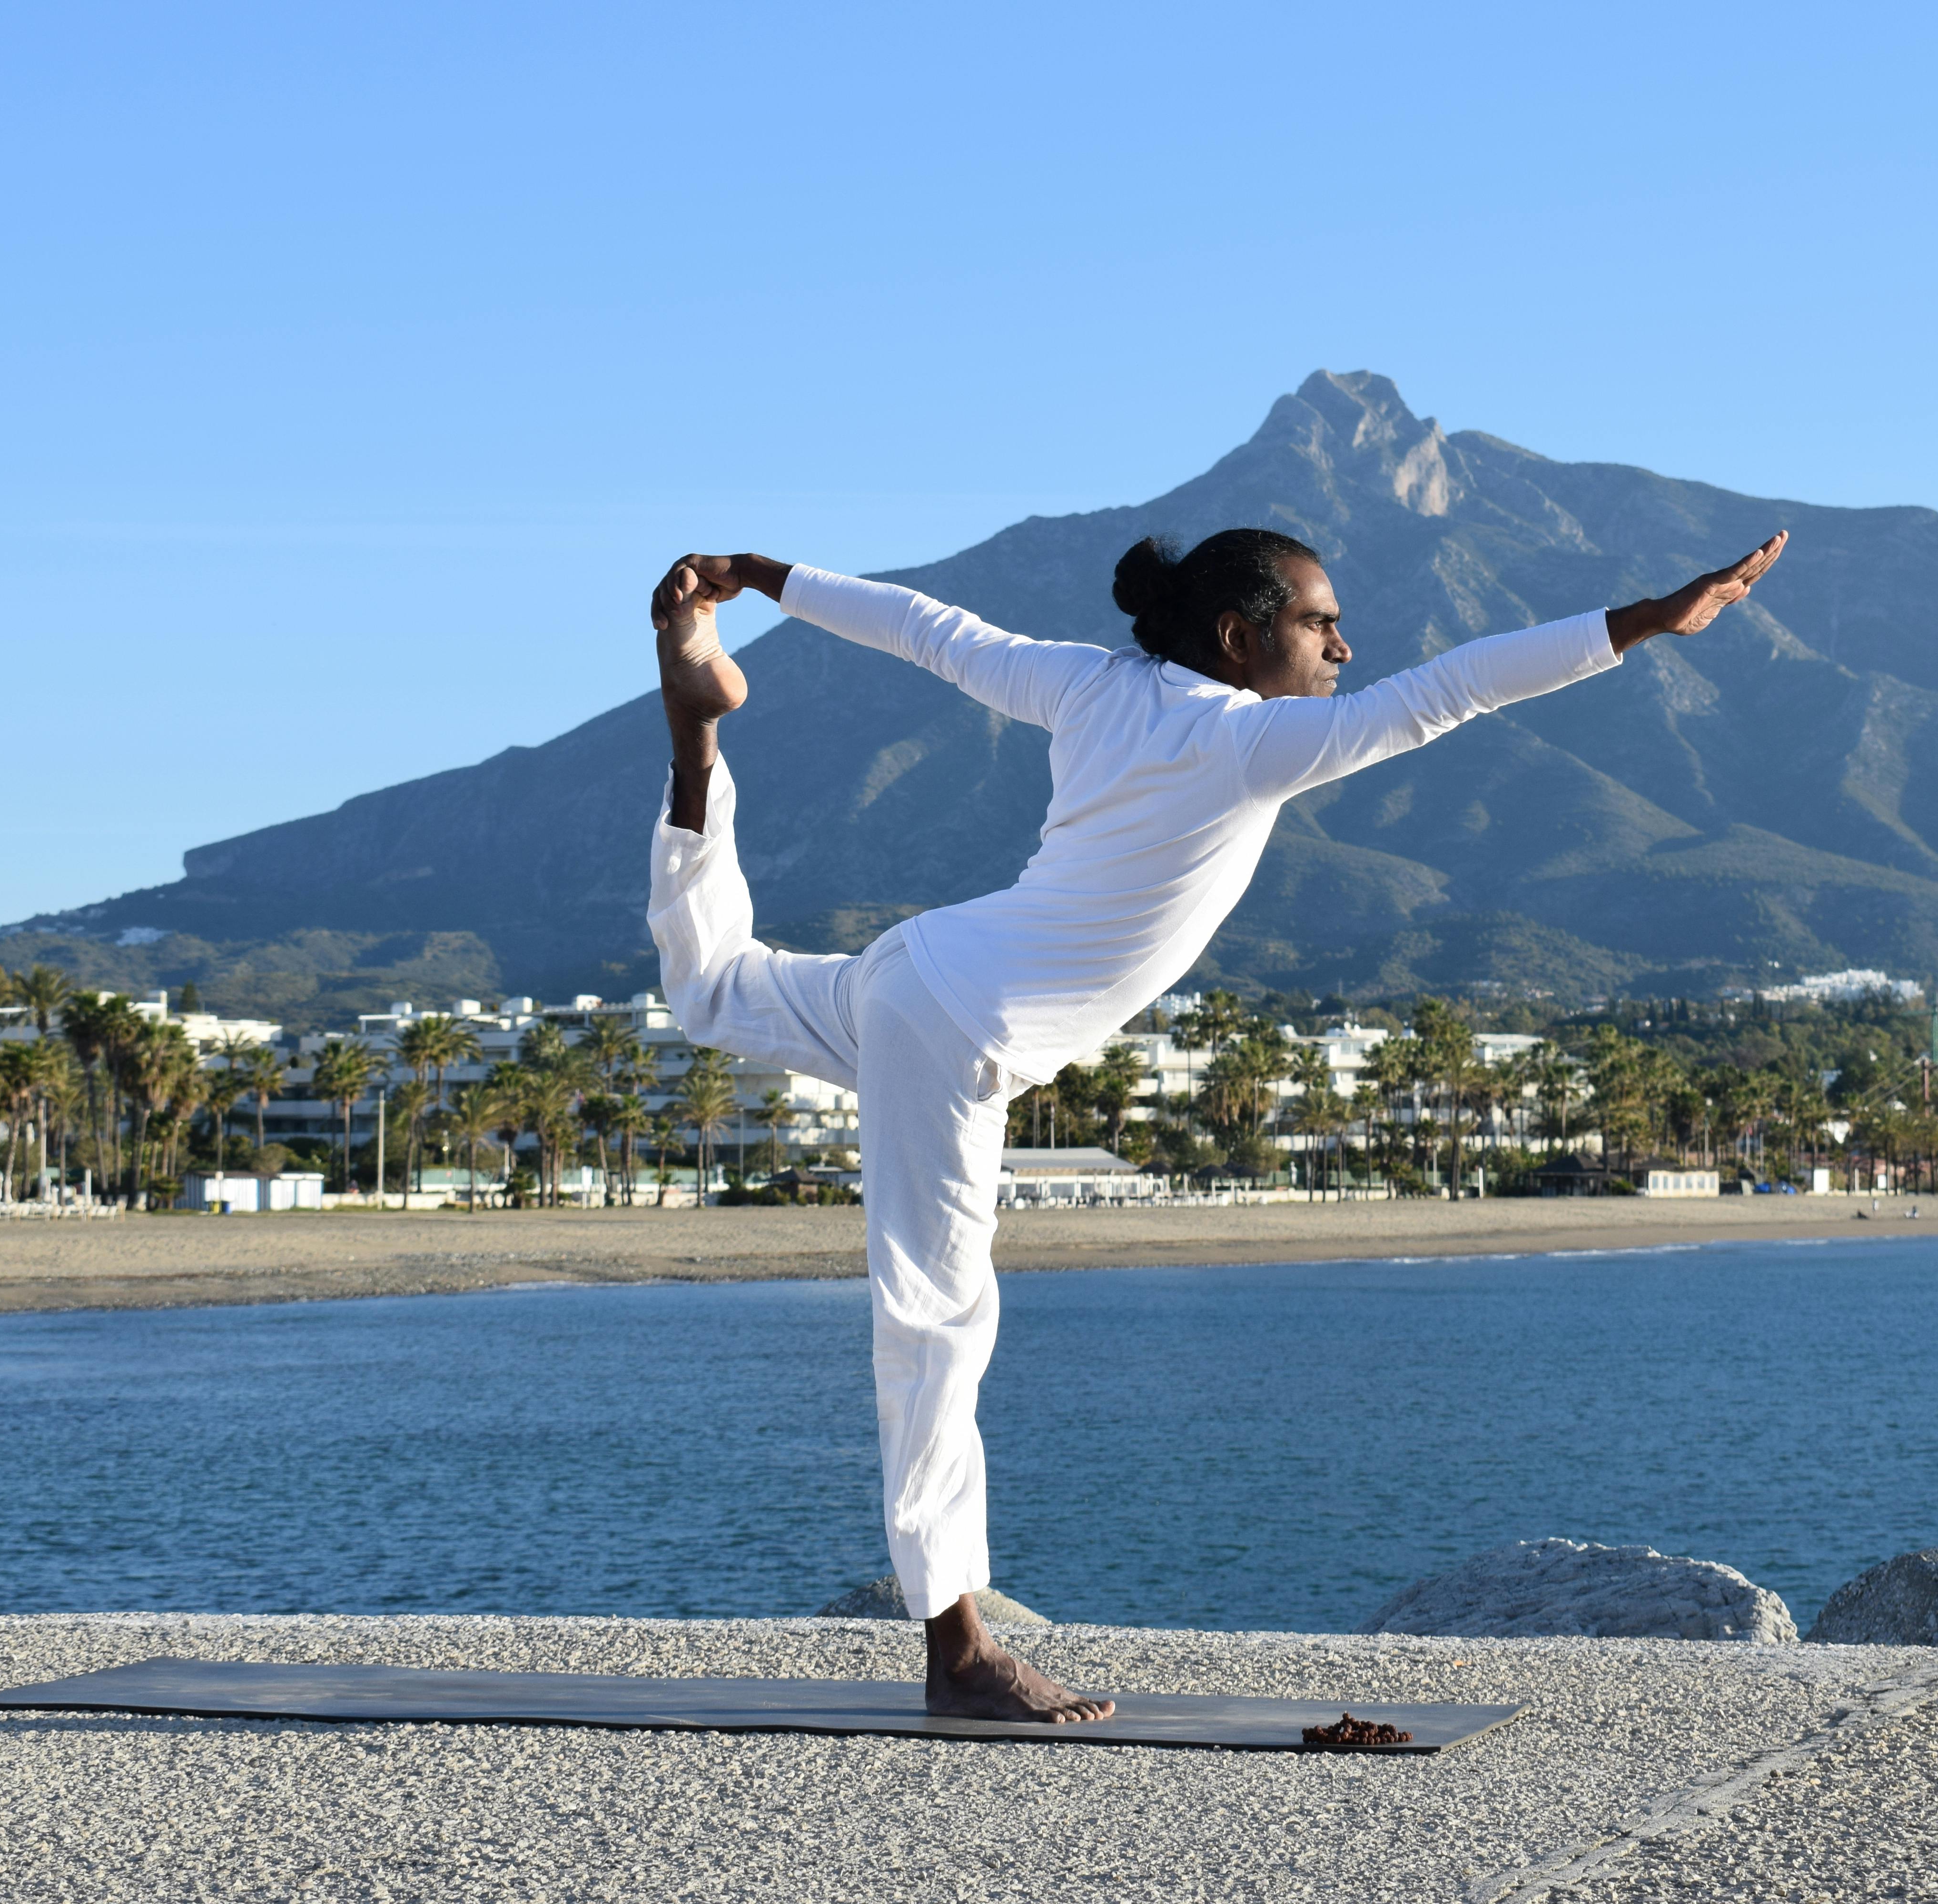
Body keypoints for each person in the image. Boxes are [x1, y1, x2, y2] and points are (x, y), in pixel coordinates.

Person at [646, 525, 1786, 1722]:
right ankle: (960, 1646)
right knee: (936, 1324)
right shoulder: (1252, 742)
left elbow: (935, 632)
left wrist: (765, 577)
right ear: (1241, 639)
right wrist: (1647, 618)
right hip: (953, 1023)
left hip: (914, 973)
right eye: (1319, 622)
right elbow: (1454, 689)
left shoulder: (1094, 684)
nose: (1345, 644)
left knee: (713, 989)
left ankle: (695, 735)